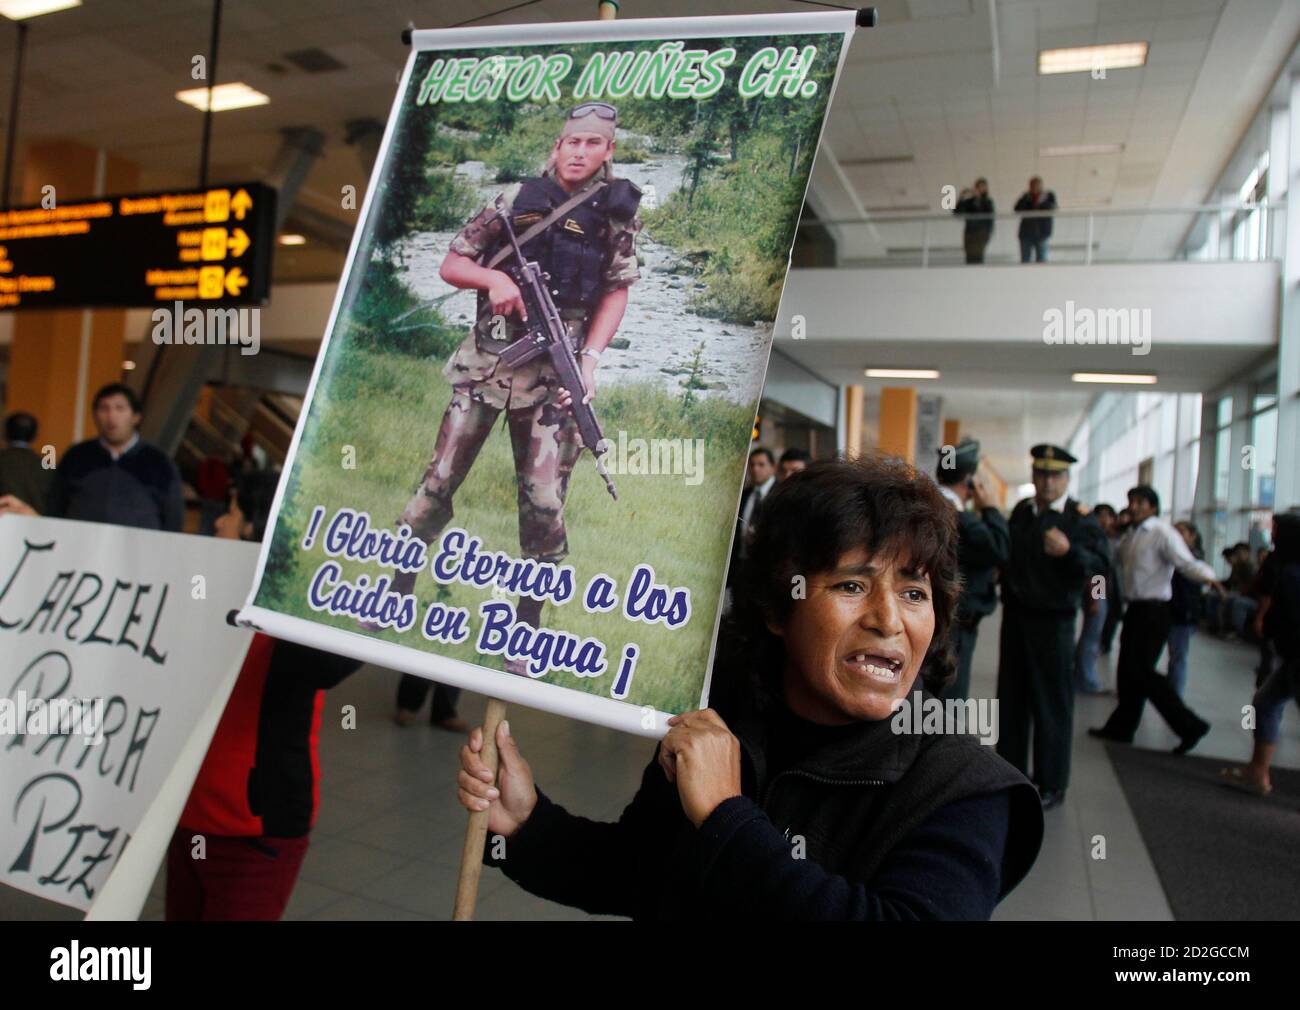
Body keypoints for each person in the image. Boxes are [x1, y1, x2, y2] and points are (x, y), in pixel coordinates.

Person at [458, 456, 1043, 919]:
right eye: (850, 586)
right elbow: (644, 877)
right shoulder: (723, 722)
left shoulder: (965, 790)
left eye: (915, 593)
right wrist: (528, 826)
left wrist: (726, 817)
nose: (889, 620)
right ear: (774, 607)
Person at [376, 102, 641, 676]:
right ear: (557, 143)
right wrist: (493, 276)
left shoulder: (618, 214)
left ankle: (525, 636)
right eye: (572, 141)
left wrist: (591, 359)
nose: (578, 151)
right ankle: (392, 593)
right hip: (486, 363)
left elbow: (617, 290)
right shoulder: (514, 201)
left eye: (592, 144)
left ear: (608, 151)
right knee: (438, 480)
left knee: (545, 504)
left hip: (555, 375)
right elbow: (452, 263)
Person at [166, 471, 361, 920]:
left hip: (256, 833)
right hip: (184, 818)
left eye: (230, 513)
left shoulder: (291, 614)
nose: (217, 524)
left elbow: (331, 665)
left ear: (257, 524)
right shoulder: (200, 591)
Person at [996, 444, 1108, 810]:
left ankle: (1051, 782)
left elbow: (1101, 568)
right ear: (1033, 477)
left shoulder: (1080, 519)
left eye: (1055, 475)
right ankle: (1010, 773)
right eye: (1041, 474)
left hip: (1054, 623)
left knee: (1052, 704)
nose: (1047, 482)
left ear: (1067, 479)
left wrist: (1070, 552)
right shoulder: (1023, 514)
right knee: (1012, 699)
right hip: (1016, 618)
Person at [1089, 487, 1221, 754]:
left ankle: (1189, 724)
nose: (1133, 507)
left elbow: (1186, 563)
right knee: (1127, 673)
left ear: (1152, 506)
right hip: (1135, 610)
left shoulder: (1161, 533)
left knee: (1143, 673)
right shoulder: (1132, 536)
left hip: (1154, 611)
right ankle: (1122, 727)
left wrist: (1210, 577)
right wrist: (1097, 593)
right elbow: (1107, 563)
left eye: (1139, 502)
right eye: (1131, 502)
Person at [0, 383, 184, 531]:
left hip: (136, 559)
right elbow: (56, 505)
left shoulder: (158, 461)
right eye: (104, 408)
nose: (111, 416)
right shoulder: (77, 456)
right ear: (95, 415)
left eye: (120, 408)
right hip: (82, 553)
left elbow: (173, 517)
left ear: (135, 417)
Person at [1219, 513, 1300, 796]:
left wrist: (1266, 623)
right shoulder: (1286, 566)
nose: (1271, 532)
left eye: (1276, 529)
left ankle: (1258, 773)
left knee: (1266, 701)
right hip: (1291, 656)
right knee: (1265, 701)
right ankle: (1257, 772)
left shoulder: (1289, 571)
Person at [933, 438, 1008, 700]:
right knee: (951, 693)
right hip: (957, 619)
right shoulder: (959, 517)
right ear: (970, 481)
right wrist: (990, 508)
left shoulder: (932, 508)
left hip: (938, 614)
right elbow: (1000, 548)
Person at [728, 447, 777, 589]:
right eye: (752, 464)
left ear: (772, 467)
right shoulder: (744, 495)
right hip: (739, 567)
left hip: (767, 568)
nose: (755, 469)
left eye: (761, 464)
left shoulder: (781, 494)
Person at [1166, 520, 1205, 696]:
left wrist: (1099, 597)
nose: (1176, 536)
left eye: (1181, 532)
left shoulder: (1189, 561)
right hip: (1170, 612)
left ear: (1192, 536)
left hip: (1180, 614)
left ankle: (1174, 696)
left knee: (1177, 657)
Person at [0, 411, 52, 515]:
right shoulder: (46, 465)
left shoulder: (3, 459)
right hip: (34, 524)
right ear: (35, 435)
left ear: (5, 432)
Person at [1095, 504, 1126, 655]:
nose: (1105, 520)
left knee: (1113, 615)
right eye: (1101, 516)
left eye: (1108, 516)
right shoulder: (1095, 538)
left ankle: (1105, 642)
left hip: (1116, 585)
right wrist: (1096, 597)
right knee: (1096, 619)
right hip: (1100, 584)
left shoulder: (1120, 537)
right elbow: (1097, 571)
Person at [1014, 176, 1057, 263]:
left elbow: (1052, 208)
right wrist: (1027, 199)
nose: (1035, 187)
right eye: (1032, 185)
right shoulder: (1026, 196)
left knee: (1041, 259)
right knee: (1025, 259)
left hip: (1042, 232)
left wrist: (1040, 203)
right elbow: (1017, 209)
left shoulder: (1048, 196)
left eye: (1037, 185)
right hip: (1026, 232)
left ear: (1041, 185)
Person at [953, 178, 994, 264]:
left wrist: (989, 233)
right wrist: (961, 198)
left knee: (978, 255)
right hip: (970, 232)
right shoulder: (969, 202)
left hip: (981, 232)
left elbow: (989, 217)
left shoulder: (988, 202)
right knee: (969, 256)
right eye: (978, 187)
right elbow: (957, 213)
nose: (980, 189)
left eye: (982, 187)